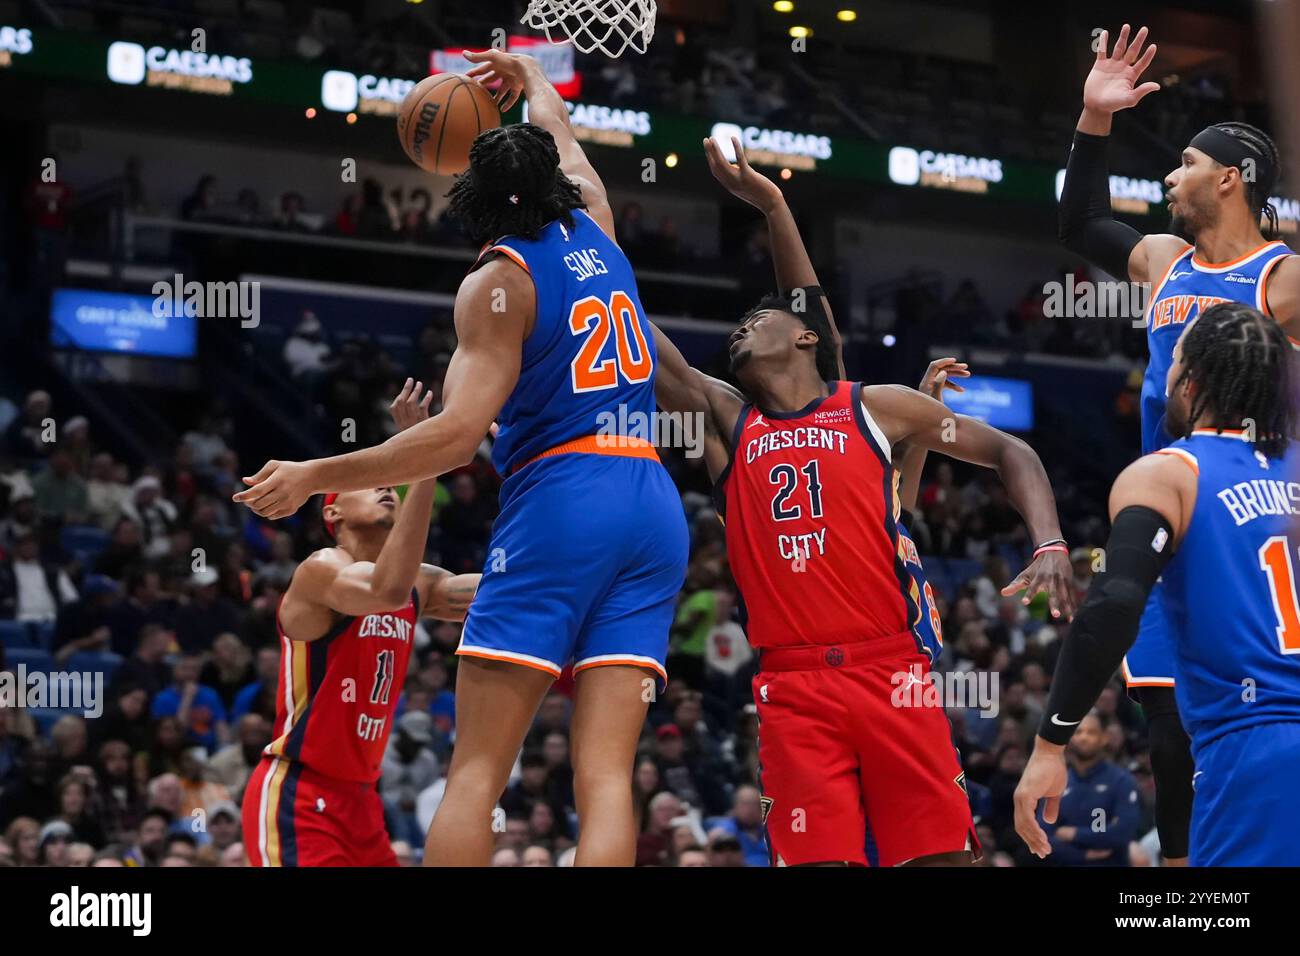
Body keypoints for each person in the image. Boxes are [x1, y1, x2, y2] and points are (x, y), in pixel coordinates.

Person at [234, 52, 689, 867]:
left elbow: (451, 437)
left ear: (469, 205)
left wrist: (313, 474)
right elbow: (565, 140)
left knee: (476, 770)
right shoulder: (595, 223)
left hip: (566, 490)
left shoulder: (496, 281)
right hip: (654, 498)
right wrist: (533, 83)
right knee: (607, 779)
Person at [640, 136, 1075, 867]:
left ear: (807, 337)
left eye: (763, 318)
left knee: (943, 859)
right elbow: (639, 334)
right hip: (792, 680)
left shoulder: (873, 407)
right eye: (740, 324)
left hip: (893, 669)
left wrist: (1053, 541)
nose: (742, 327)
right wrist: (574, 228)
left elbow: (1011, 452)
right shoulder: (727, 420)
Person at [1056, 23, 1299, 864]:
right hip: (1172, 489)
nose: (1170, 174)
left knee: (1243, 713)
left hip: (1250, 497)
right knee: (1168, 719)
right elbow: (1079, 222)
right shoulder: (1164, 260)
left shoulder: (1282, 276)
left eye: (1187, 163)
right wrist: (1094, 117)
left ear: (1230, 178)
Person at [1015, 302, 1300, 866]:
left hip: (1257, 752)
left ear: (1191, 381)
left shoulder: (1169, 472)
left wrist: (1051, 742)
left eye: (1171, 361)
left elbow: (1116, 601)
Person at [242, 382, 479, 866]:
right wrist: (428, 461)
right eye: (371, 479)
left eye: (392, 480)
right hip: (299, 794)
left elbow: (501, 594)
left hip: (363, 801)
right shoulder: (320, 570)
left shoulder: (420, 584)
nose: (387, 485)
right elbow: (385, 592)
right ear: (331, 510)